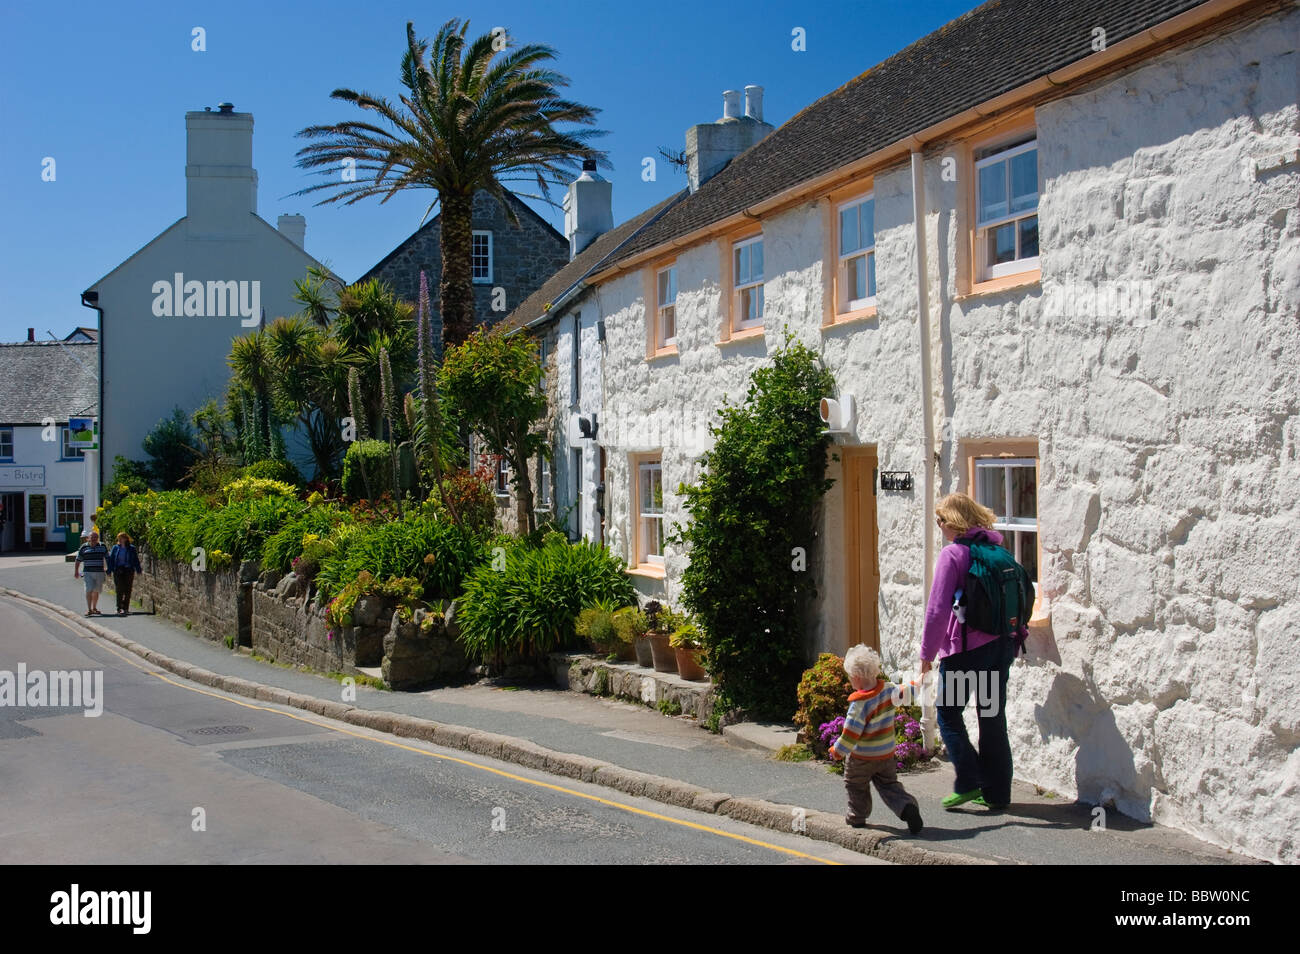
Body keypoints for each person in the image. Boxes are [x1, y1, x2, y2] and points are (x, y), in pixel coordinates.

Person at [921, 492, 1024, 811]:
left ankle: (969, 780)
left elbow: (938, 609)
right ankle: (998, 794)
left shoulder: (953, 555)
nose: (938, 526)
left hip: (965, 651)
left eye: (940, 520)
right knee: (992, 717)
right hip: (1001, 646)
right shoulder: (996, 550)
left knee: (948, 714)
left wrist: (927, 653)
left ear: (952, 522)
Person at [829, 644, 924, 835]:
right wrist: (920, 680)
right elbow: (907, 692)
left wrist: (837, 751)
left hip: (862, 758)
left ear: (856, 678)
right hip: (886, 754)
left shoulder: (859, 704)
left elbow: (850, 734)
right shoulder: (888, 690)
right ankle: (906, 807)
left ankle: (857, 816)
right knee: (889, 785)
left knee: (855, 784)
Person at [74, 529, 109, 617]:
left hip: (99, 572)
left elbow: (108, 558)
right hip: (88, 572)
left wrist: (108, 568)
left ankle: (94, 608)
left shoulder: (102, 546)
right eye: (92, 537)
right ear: (88, 538)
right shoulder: (84, 547)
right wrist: (76, 571)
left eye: (95, 537)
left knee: (96, 591)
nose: (93, 539)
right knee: (89, 589)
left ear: (98, 538)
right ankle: (89, 609)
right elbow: (78, 560)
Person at [107, 532, 143, 617]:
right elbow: (111, 559)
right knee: (119, 589)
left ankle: (126, 608)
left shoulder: (131, 548)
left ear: (126, 538)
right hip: (118, 570)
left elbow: (135, 560)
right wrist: (109, 570)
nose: (119, 540)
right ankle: (119, 608)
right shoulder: (115, 548)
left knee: (128, 589)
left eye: (121, 538)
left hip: (128, 570)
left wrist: (138, 570)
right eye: (118, 538)